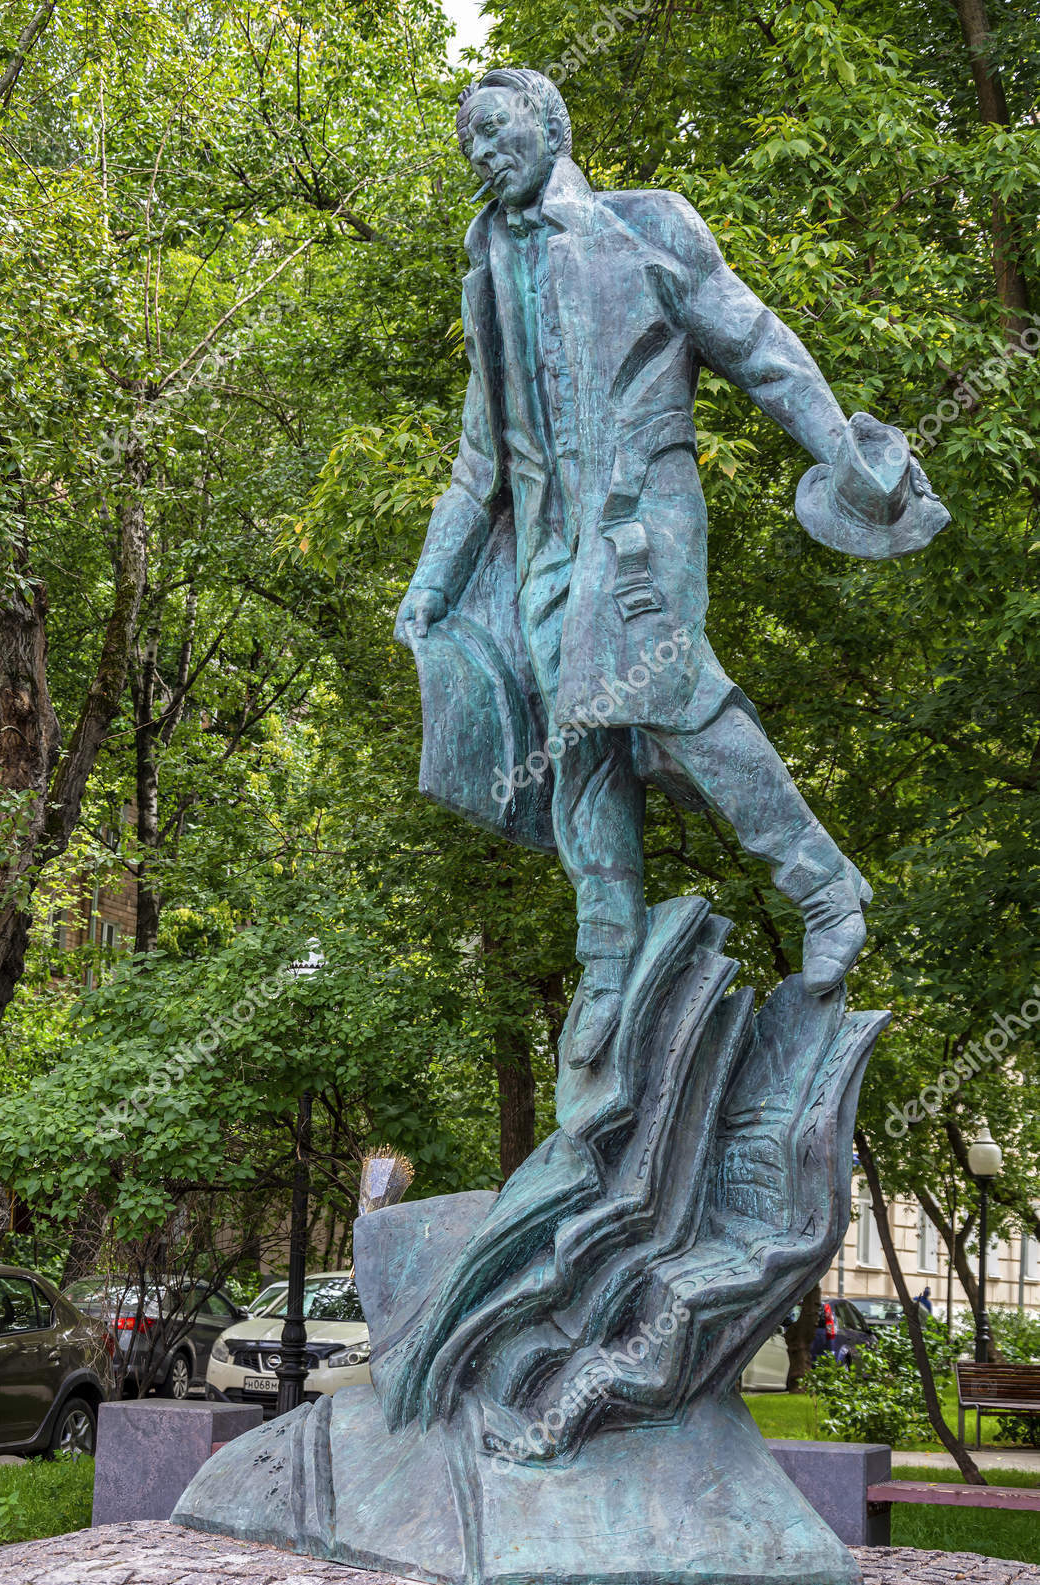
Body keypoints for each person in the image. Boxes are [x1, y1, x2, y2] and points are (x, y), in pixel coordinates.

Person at [396, 68, 949, 1069]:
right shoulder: (483, 277)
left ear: (549, 121)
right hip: (546, 546)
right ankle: (606, 950)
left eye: (495, 124)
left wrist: (838, 451)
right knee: (576, 739)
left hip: (640, 514)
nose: (480, 149)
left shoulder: (643, 225)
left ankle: (823, 887)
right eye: (465, 140)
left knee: (669, 691)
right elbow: (480, 458)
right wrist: (432, 586)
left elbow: (755, 345)